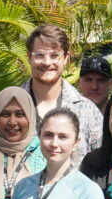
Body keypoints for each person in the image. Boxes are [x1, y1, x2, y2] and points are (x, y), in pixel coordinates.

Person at [24, 24, 104, 154]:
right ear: (29, 56)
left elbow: (101, 165)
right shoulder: (8, 106)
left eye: (54, 55)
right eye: (39, 55)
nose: (47, 62)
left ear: (66, 58)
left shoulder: (88, 111)